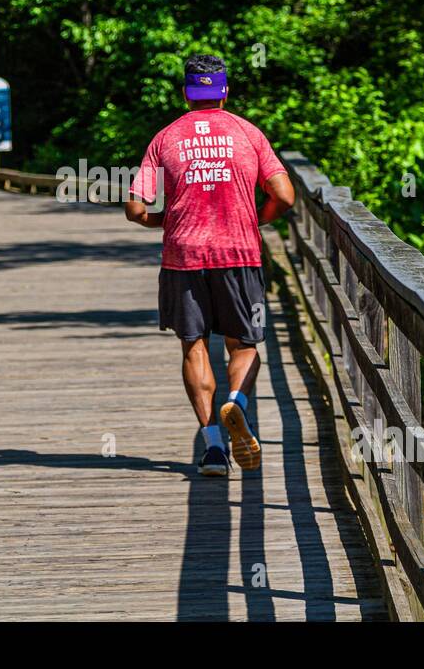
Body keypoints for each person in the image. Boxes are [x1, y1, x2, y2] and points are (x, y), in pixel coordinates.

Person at [125, 54, 296, 477]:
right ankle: (236, 403)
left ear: (185, 92)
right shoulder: (247, 133)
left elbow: (133, 207)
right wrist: (256, 219)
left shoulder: (165, 138)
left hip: (183, 258)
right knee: (243, 344)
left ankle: (214, 448)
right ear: (225, 91)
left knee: (194, 344)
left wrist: (161, 221)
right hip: (238, 253)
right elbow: (286, 196)